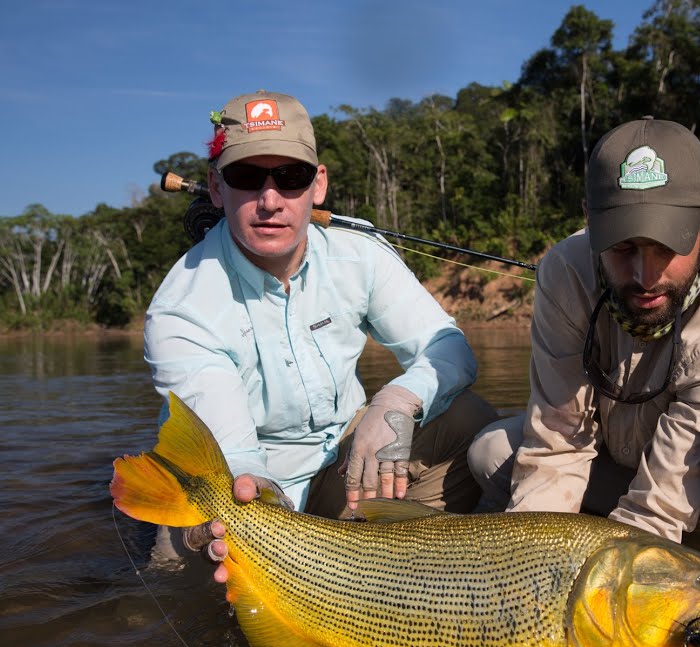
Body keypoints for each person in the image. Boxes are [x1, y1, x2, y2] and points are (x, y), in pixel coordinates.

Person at [466, 116, 700, 598]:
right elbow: (557, 443)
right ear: (590, 220)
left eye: (666, 245)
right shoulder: (563, 273)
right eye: (623, 247)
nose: (645, 276)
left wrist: (620, 592)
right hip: (640, 448)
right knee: (493, 452)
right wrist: (534, 580)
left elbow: (659, 505)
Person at [146, 90, 499, 568]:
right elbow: (236, 458)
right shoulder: (181, 308)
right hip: (243, 488)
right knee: (179, 575)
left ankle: (402, 560)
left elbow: (448, 350)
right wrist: (263, 512)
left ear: (318, 185)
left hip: (344, 463)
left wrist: (396, 401)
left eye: (291, 177)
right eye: (246, 178)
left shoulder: (359, 253)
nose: (270, 200)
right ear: (215, 188)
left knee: (468, 418)